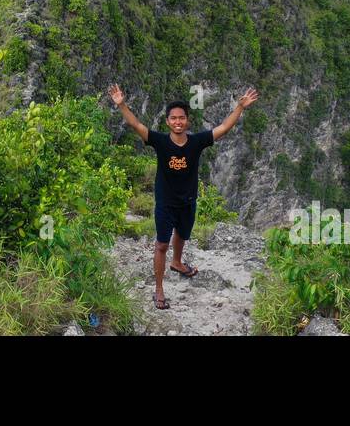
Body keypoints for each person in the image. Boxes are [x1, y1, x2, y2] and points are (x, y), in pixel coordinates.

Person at [108, 84, 258, 310]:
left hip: (188, 202)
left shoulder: (196, 142)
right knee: (161, 244)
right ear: (167, 122)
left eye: (181, 118)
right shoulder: (160, 141)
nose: (178, 122)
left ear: (187, 121)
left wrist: (240, 107)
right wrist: (121, 105)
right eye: (173, 118)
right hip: (165, 203)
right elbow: (135, 124)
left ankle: (177, 262)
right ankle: (159, 289)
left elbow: (224, 127)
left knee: (182, 234)